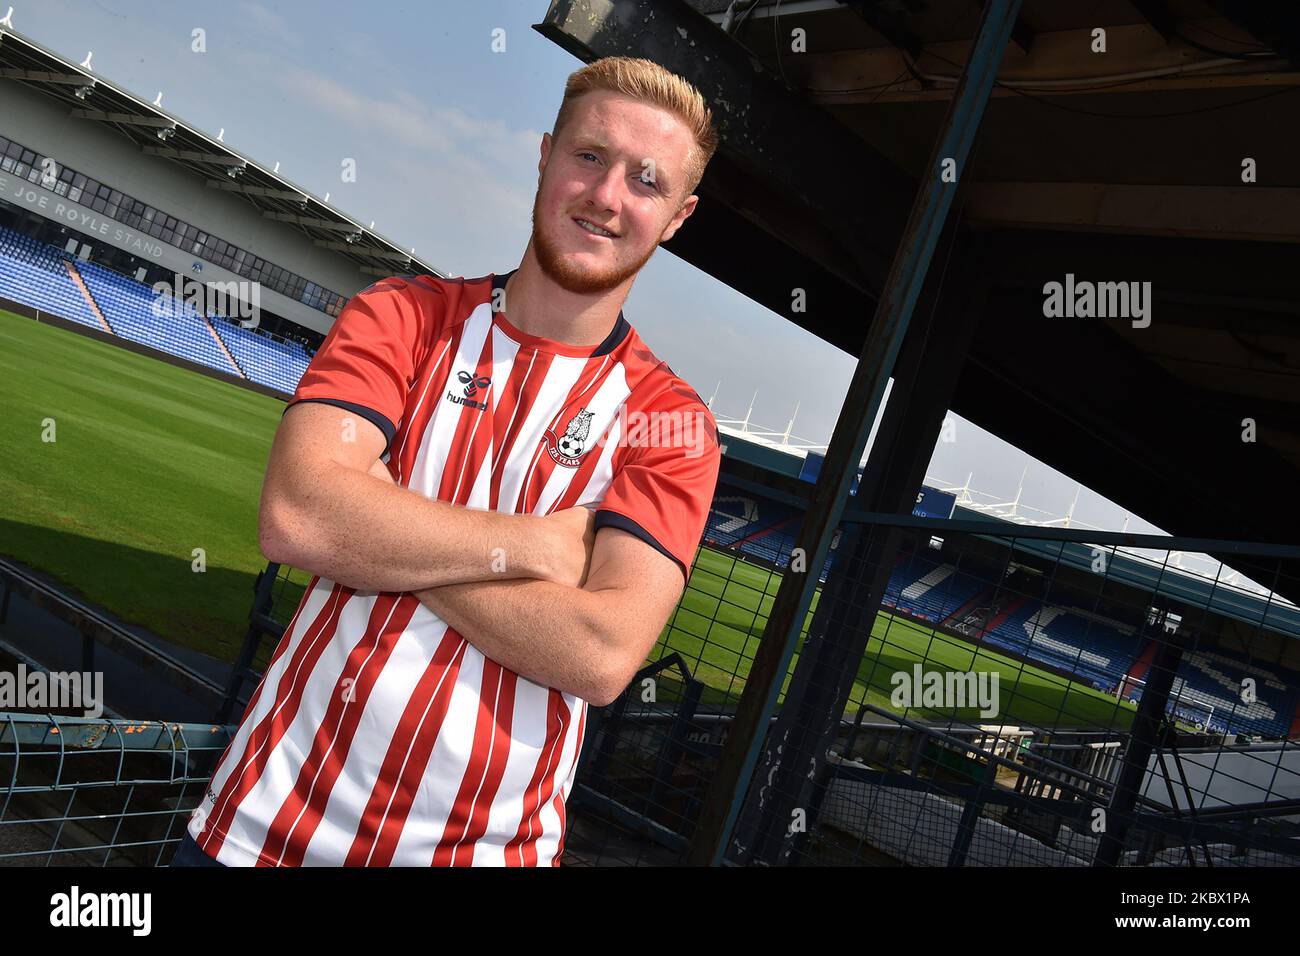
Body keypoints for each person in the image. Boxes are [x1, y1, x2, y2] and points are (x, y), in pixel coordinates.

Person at [175, 56, 722, 867]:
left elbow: (601, 655)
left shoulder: (673, 425)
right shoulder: (402, 317)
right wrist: (536, 549)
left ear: (678, 215)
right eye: (589, 156)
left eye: (646, 181)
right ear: (544, 157)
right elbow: (297, 516)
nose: (607, 196)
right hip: (260, 832)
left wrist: (375, 527)